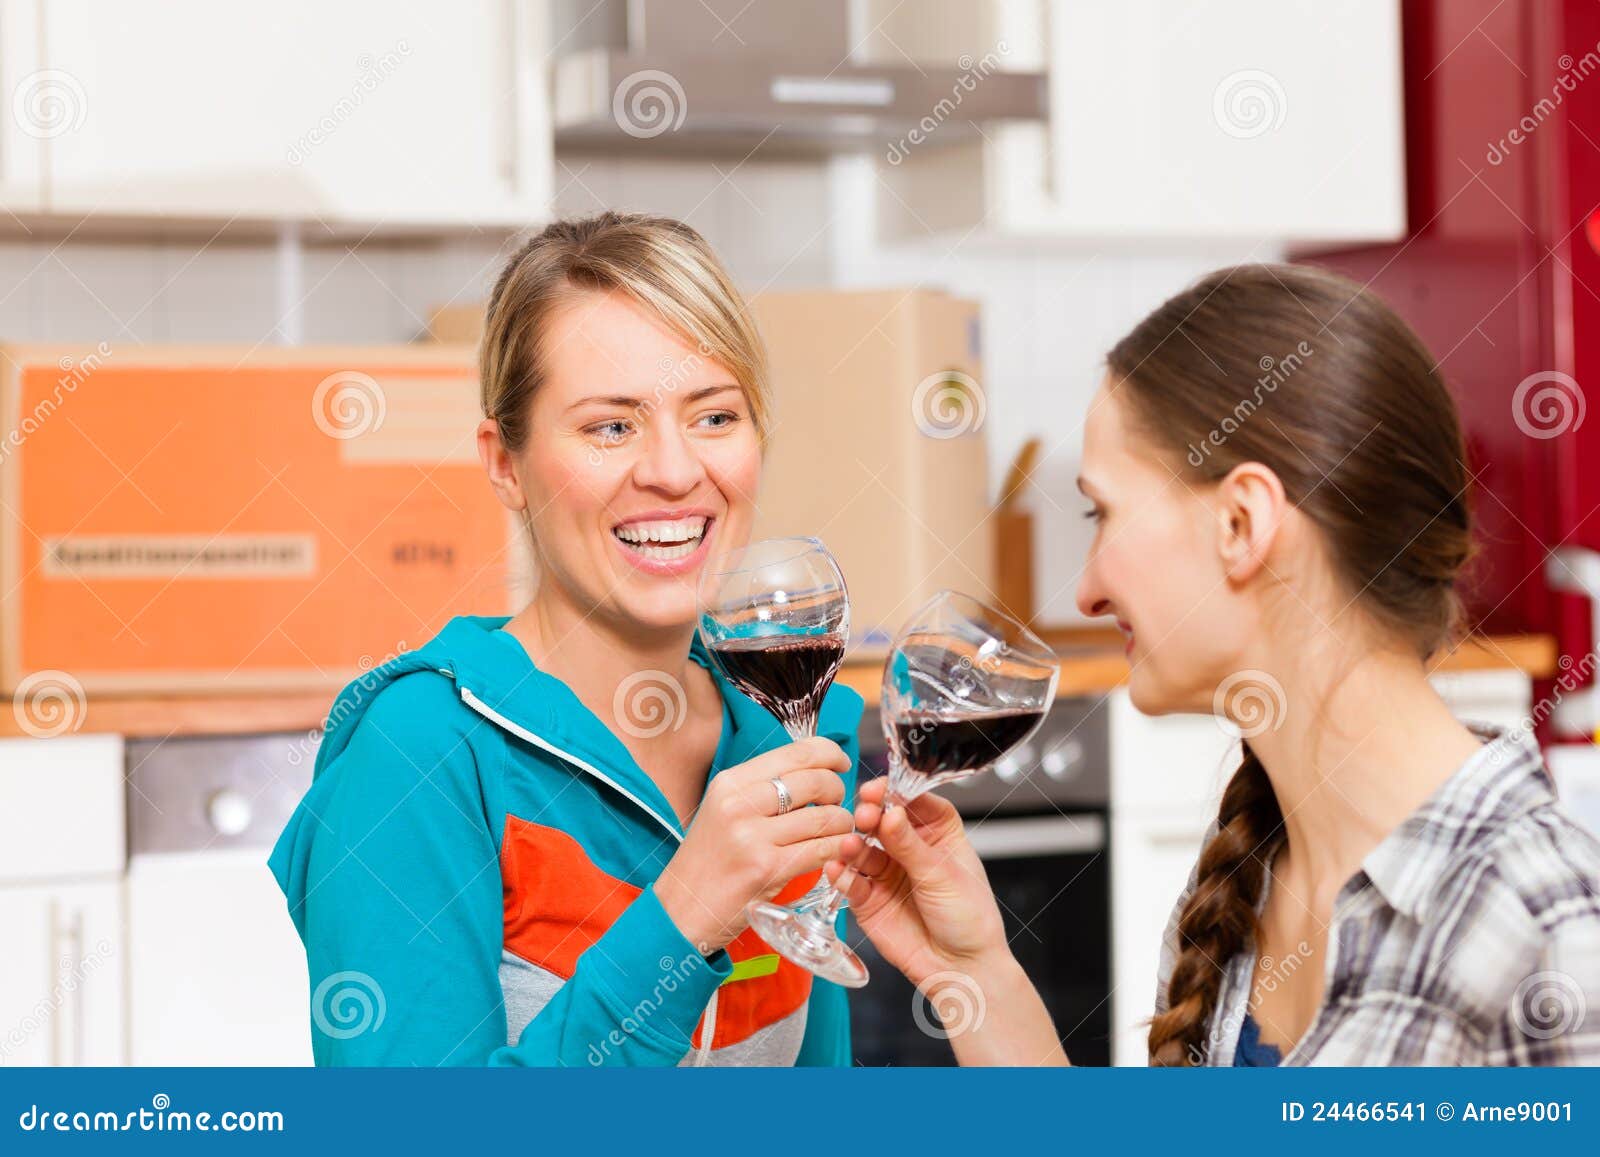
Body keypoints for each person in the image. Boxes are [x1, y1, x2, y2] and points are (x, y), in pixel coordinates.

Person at [827, 263, 1600, 1066]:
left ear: (1242, 522)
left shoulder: (1550, 934)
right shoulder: (1247, 875)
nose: (1087, 590)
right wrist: (973, 971)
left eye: (1104, 513)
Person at [270, 211, 862, 1066]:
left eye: (716, 416)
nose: (672, 469)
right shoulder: (420, 759)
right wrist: (683, 917)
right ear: (504, 462)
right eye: (610, 426)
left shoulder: (792, 740)